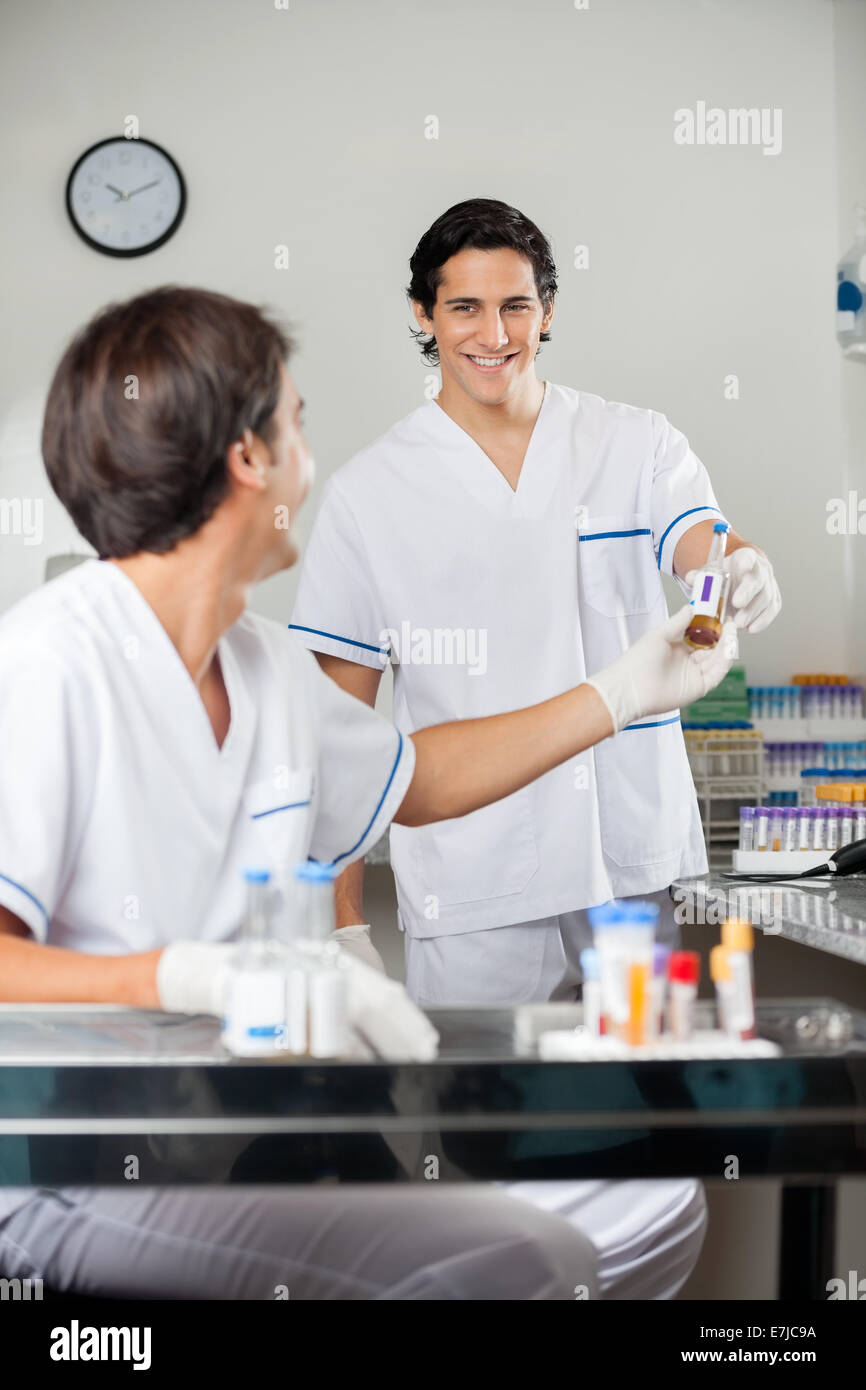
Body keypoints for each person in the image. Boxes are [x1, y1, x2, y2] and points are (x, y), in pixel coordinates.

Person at [0, 286, 733, 1301]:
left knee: (645, 1212)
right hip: (65, 1170)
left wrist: (621, 693)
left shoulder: (259, 669)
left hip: (231, 1138)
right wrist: (196, 979)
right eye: (295, 421)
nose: (309, 453)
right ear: (249, 459)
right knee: (520, 1260)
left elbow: (416, 777)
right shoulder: (50, 664)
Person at [290, 198, 782, 1296]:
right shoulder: (372, 493)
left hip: (629, 878)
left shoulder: (629, 440)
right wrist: (338, 929)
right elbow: (335, 738)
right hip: (476, 887)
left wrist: (733, 561)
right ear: (422, 314)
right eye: (462, 305)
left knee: (645, 1158)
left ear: (547, 311)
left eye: (514, 303)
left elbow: (694, 537)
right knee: (500, 1176)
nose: (491, 330)